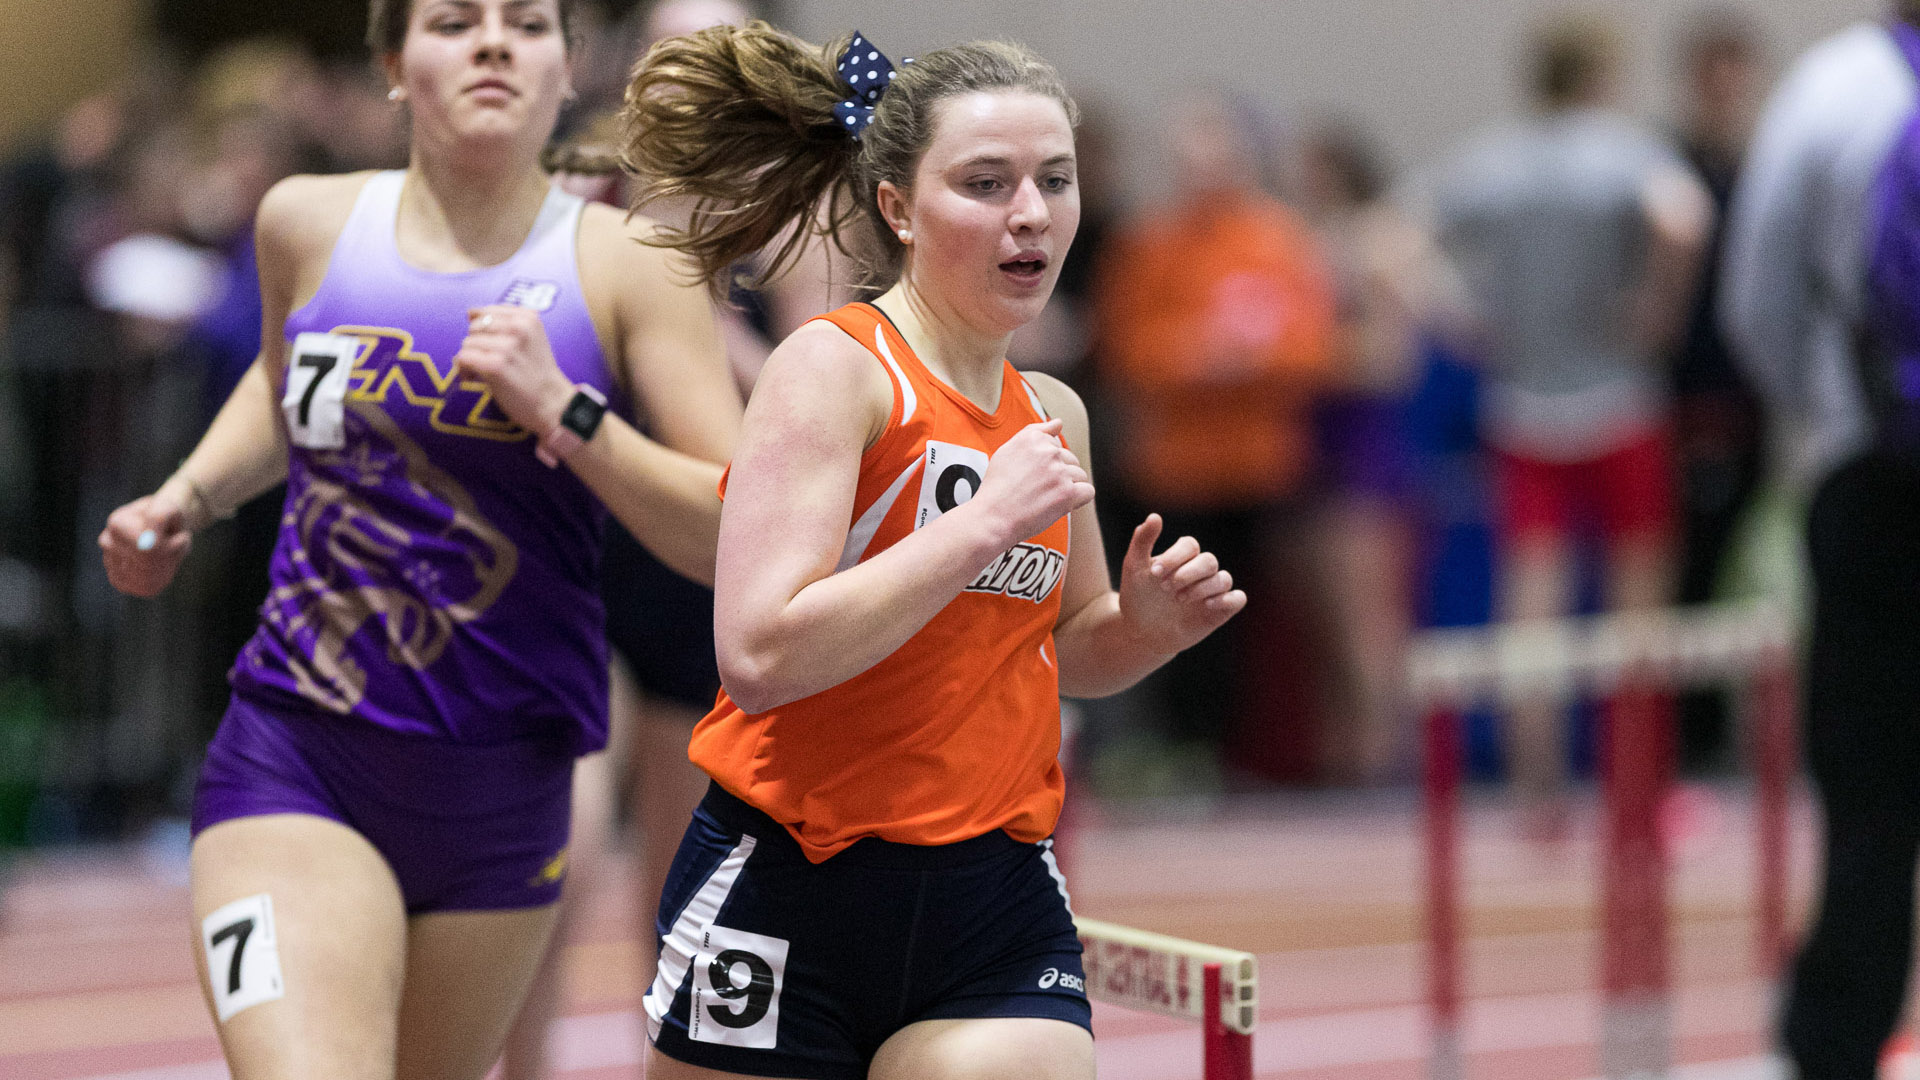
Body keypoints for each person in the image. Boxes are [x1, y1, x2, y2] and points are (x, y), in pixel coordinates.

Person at [93, 1, 741, 1078]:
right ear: (394, 63)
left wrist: (566, 412)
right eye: (452, 20)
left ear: (568, 65)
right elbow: (281, 383)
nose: (492, 42)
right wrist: (187, 497)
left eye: (525, 23)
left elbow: (729, 526)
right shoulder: (305, 220)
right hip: (297, 756)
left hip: (504, 788)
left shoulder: (631, 263)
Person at [620, 23, 1245, 1080]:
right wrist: (979, 526)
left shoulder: (1052, 413)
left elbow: (1070, 648)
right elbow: (759, 655)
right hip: (790, 882)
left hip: (992, 896)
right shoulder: (834, 371)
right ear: (899, 209)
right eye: (986, 183)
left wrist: (1144, 630)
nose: (1031, 212)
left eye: (1055, 180)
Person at [1427, 14, 1712, 830]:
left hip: (1524, 410)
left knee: (1533, 609)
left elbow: (1390, 240)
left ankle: (1537, 787)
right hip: (1622, 404)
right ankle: (1639, 790)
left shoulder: (1497, 161)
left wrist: (1460, 317)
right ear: (1601, 77)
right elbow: (1684, 220)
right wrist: (1657, 310)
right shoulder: (1624, 152)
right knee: (1637, 614)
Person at [1719, 6, 1920, 1076]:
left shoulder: (1836, 87)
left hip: (1877, 472)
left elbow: (1758, 296)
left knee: (1870, 786)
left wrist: (1821, 423)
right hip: (1872, 460)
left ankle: (1837, 1042)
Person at [1092, 90, 1337, 786]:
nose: (1202, 162)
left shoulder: (1279, 241)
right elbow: (1123, 351)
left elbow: (1315, 347)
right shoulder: (1148, 245)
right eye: (1188, 150)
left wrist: (1250, 361)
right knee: (1177, 624)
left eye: (1214, 146)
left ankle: (1257, 761)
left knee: (1263, 627)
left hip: (1264, 468)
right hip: (1176, 471)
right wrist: (1195, 357)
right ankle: (1188, 754)